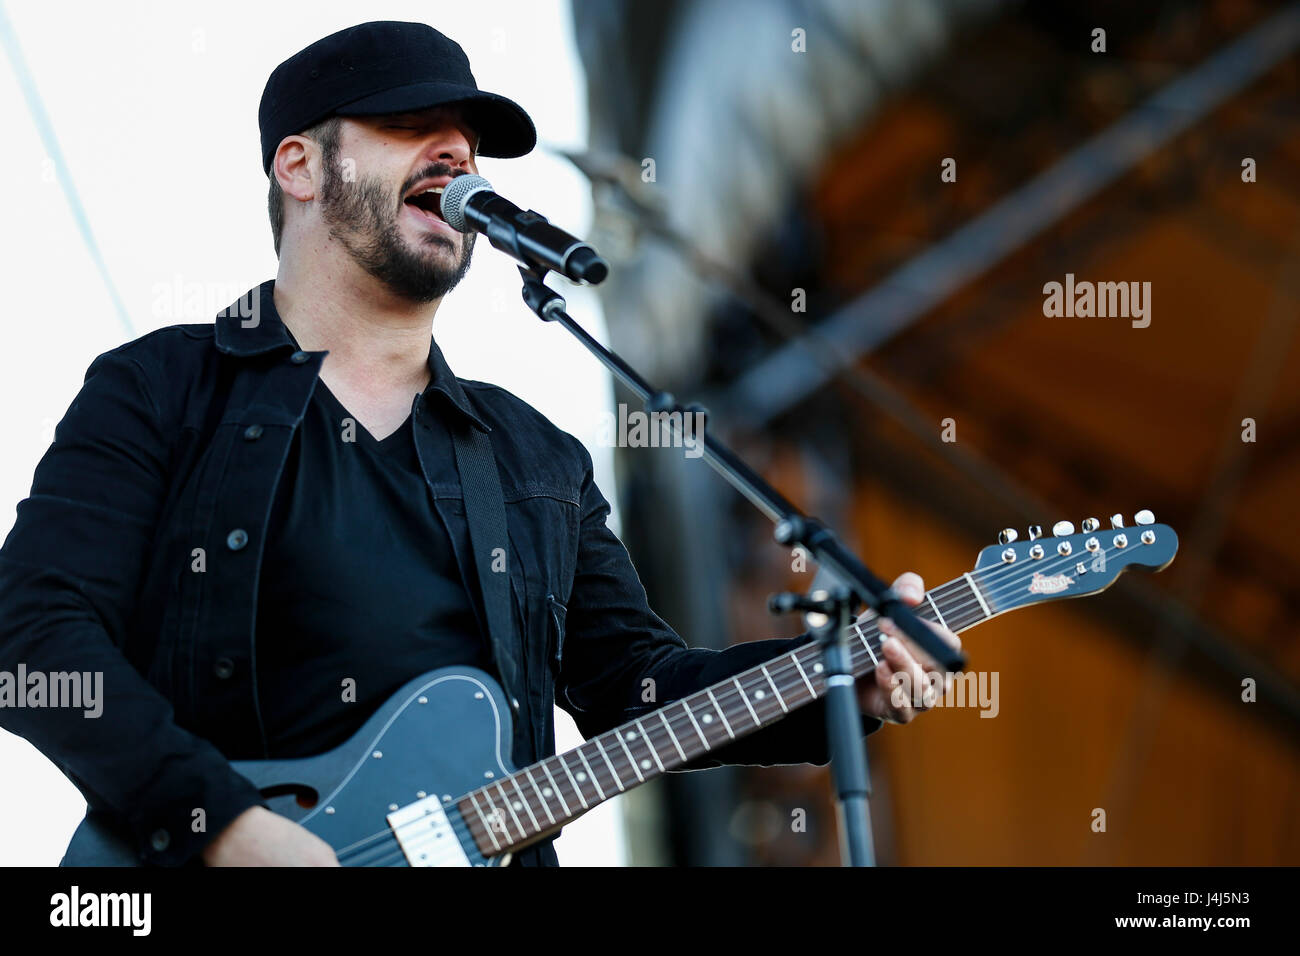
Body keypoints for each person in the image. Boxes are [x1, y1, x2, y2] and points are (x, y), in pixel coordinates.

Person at [0, 20, 959, 867]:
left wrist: (841, 675)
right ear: (298, 165)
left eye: (467, 142)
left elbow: (640, 687)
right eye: (410, 126)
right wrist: (219, 824)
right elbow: (32, 639)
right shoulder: (160, 390)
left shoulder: (532, 456)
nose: (455, 153)